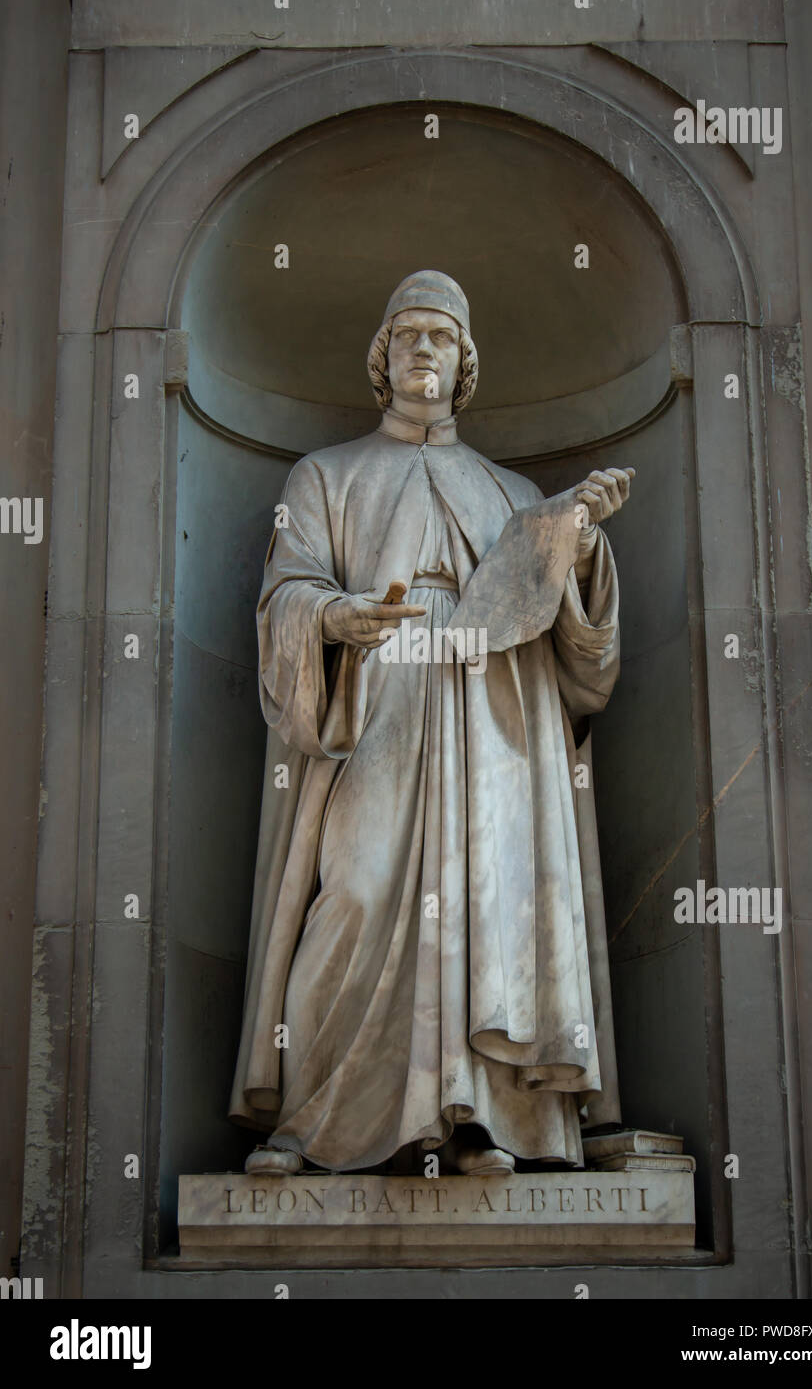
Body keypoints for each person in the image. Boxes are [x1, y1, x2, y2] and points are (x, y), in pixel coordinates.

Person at [229, 270, 633, 1176]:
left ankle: (484, 1118)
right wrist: (336, 618)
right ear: (382, 359)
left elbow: (578, 656)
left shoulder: (510, 489)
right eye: (407, 333)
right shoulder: (325, 474)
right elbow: (283, 594)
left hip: (493, 720)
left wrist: (581, 539)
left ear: (464, 362)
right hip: (379, 705)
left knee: (492, 906)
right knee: (362, 889)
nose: (423, 348)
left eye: (441, 336)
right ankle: (312, 1117)